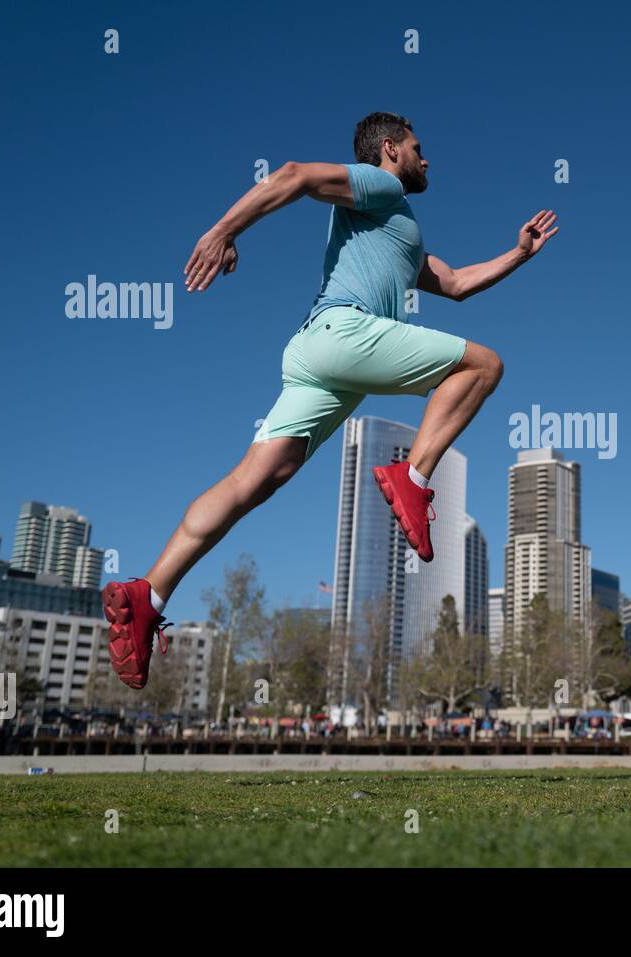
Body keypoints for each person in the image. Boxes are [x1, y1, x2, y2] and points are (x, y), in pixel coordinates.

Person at [100, 112, 558, 690]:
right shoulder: (380, 183)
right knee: (484, 365)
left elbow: (458, 283)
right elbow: (293, 175)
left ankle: (149, 591)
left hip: (322, 359)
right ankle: (412, 478)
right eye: (419, 148)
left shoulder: (395, 224)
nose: (428, 159)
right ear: (390, 149)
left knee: (255, 481)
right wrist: (224, 231)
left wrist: (519, 253)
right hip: (346, 334)